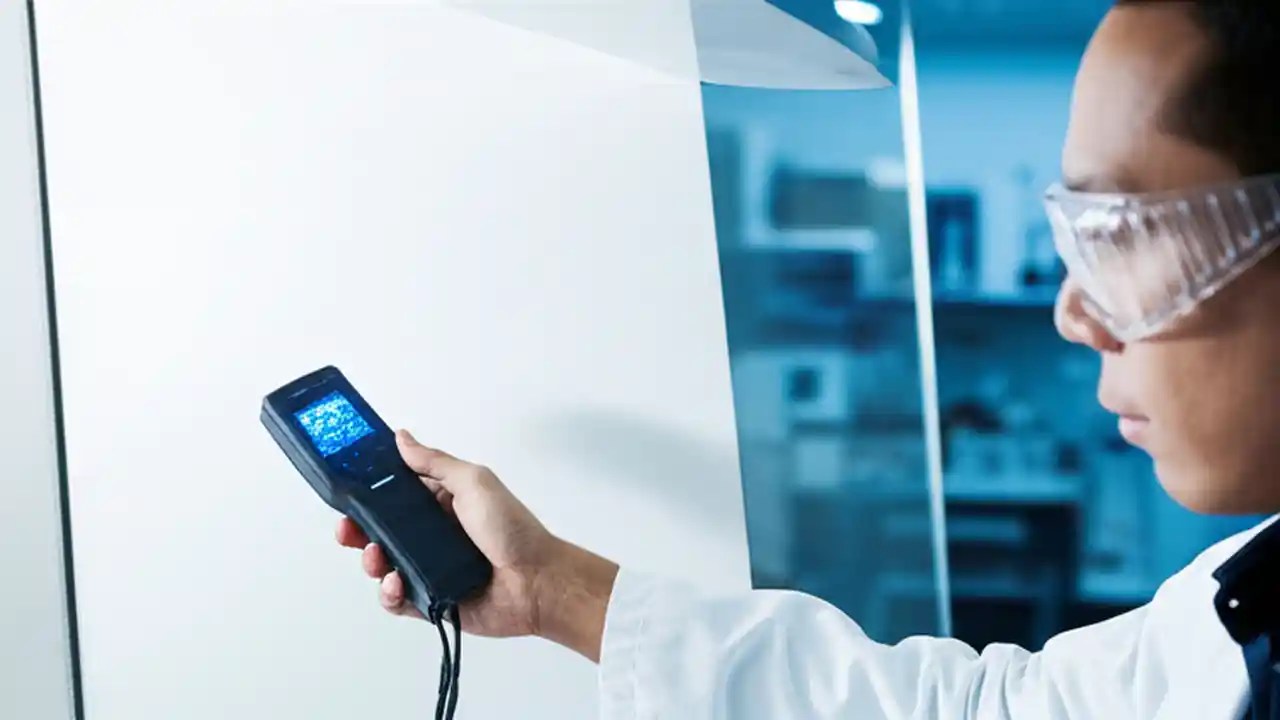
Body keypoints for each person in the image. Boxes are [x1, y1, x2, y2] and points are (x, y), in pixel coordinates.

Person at [335, 1, 1280, 717]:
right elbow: (988, 710)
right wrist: (553, 589)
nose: (1075, 314)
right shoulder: (1242, 606)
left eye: (1122, 233)